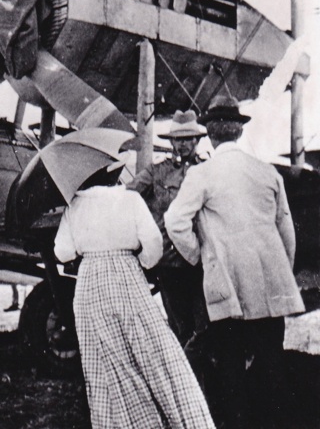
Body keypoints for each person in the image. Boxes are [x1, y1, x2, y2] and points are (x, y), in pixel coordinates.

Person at [164, 95, 305, 429]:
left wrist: (199, 256)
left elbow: (174, 221)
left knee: (230, 370)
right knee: (273, 364)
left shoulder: (202, 174)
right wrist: (280, 270)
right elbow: (286, 229)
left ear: (210, 136)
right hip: (270, 286)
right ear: (239, 132)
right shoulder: (267, 172)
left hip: (227, 286)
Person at [55, 166, 214, 429]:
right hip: (126, 274)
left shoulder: (75, 205)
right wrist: (141, 261)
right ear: (112, 176)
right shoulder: (129, 199)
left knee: (103, 361)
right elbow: (153, 243)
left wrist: (87, 249)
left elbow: (63, 251)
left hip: (90, 282)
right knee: (150, 349)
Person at [127, 110, 209, 374]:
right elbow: (128, 195)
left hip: (203, 262)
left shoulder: (207, 170)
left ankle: (206, 385)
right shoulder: (157, 171)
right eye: (178, 139)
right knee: (179, 327)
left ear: (197, 141)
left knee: (206, 327)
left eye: (189, 139)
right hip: (170, 263)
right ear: (171, 142)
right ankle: (183, 382)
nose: (183, 144)